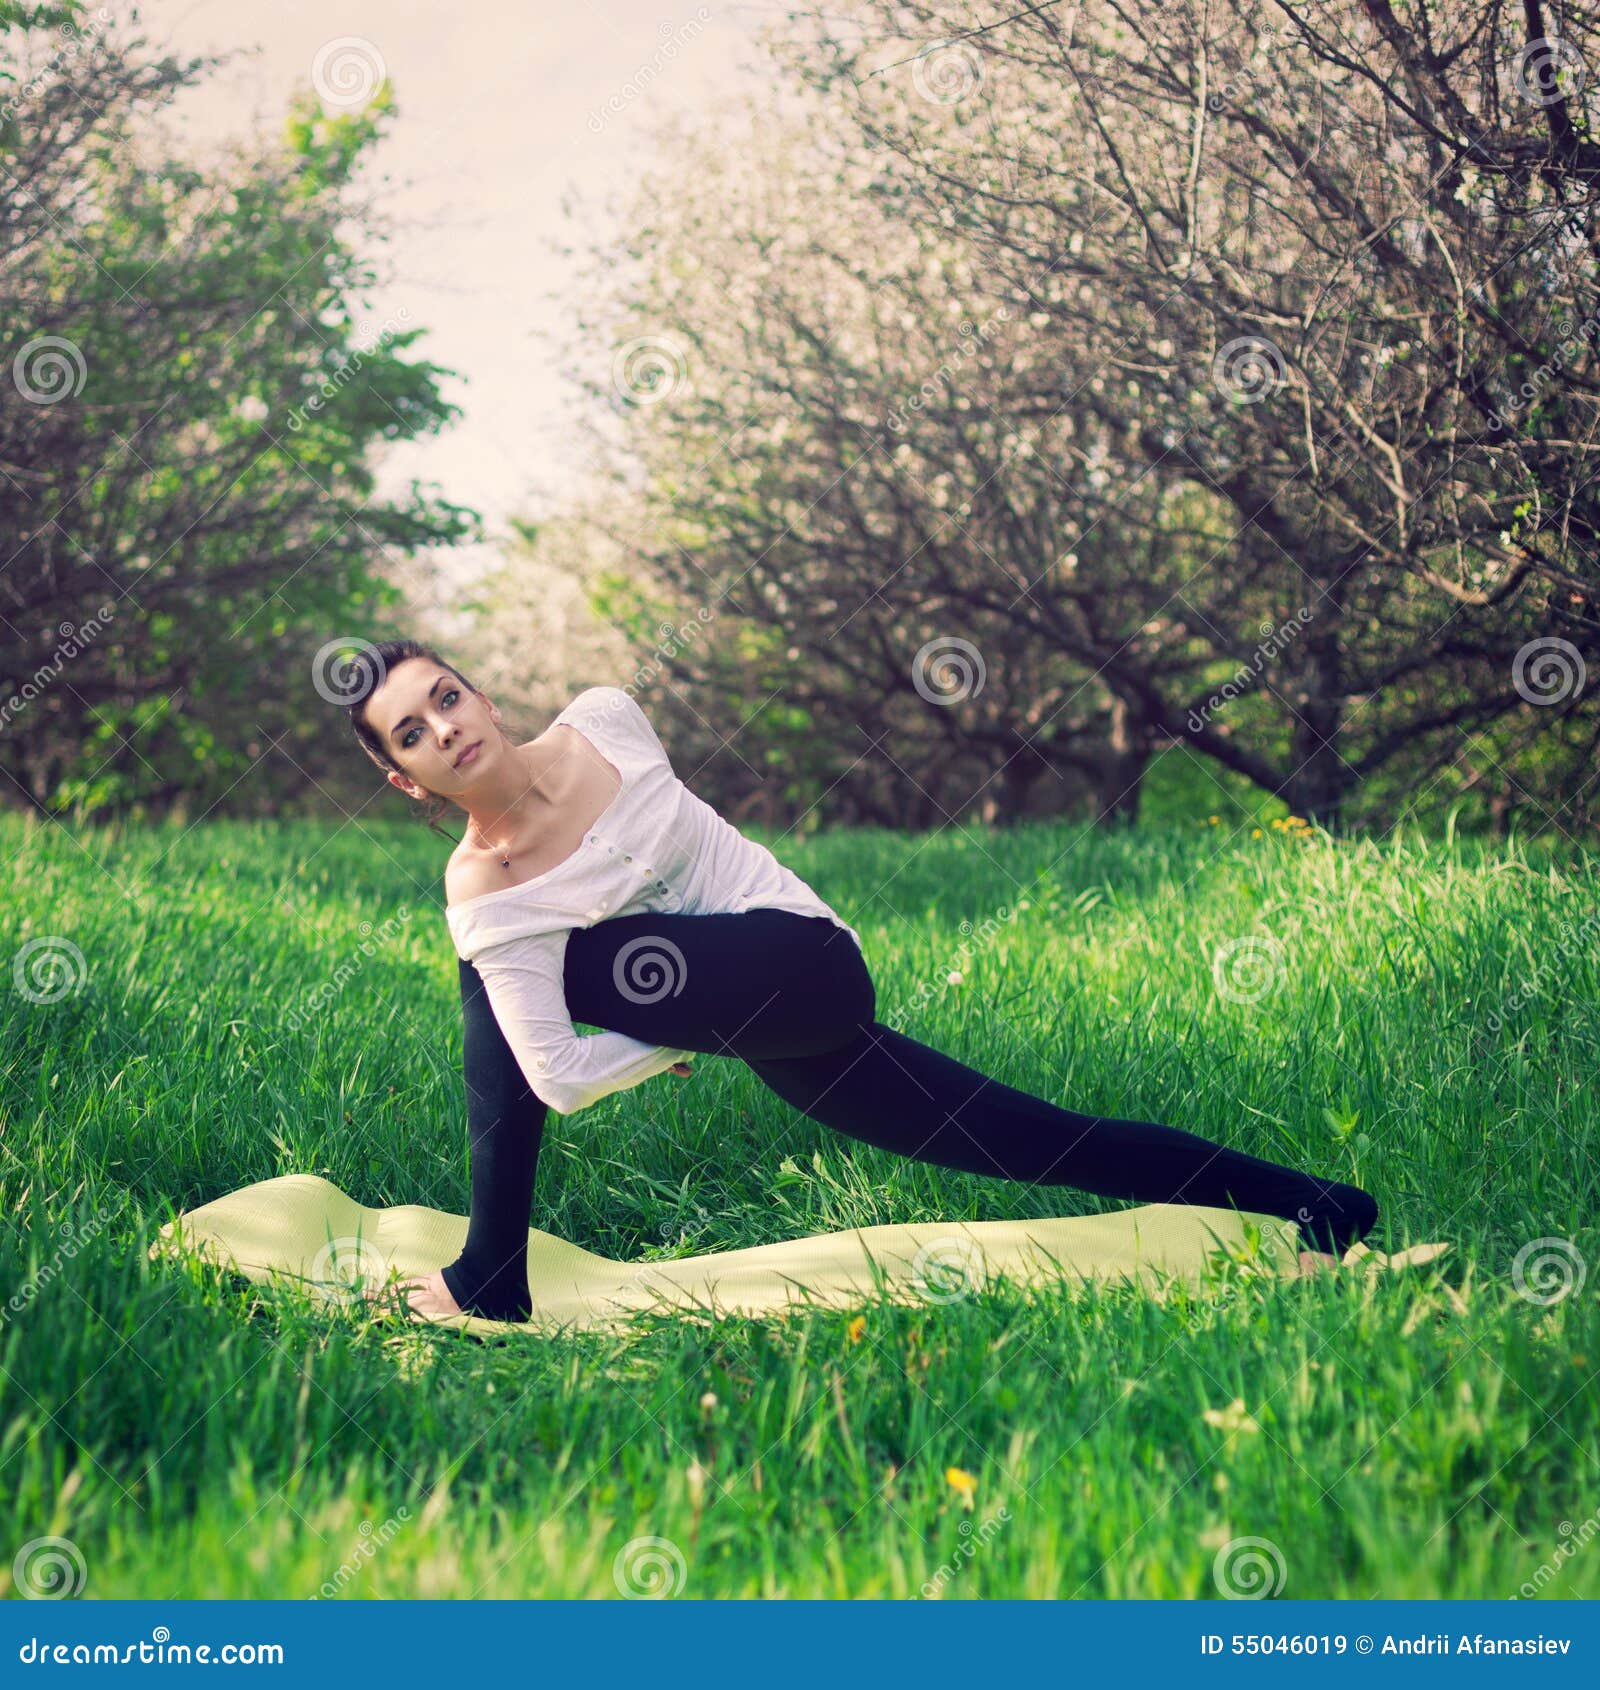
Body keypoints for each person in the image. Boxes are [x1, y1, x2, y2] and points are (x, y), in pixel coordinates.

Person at [341, 638, 1377, 1323]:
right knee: (1030, 1140)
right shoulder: (487, 885)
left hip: (806, 961)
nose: (447, 727)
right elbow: (558, 1078)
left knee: (530, 966)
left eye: (445, 695)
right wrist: (695, 1028)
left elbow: (627, 940)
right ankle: (1320, 1204)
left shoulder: (605, 718)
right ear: (405, 778)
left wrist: (688, 1029)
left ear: (476, 687)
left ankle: (489, 1272)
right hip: (761, 1025)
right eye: (413, 734)